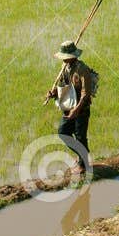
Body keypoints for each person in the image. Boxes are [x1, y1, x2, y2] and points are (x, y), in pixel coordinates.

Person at [44, 40, 96, 174]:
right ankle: (83, 155)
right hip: (69, 106)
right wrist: (54, 93)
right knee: (63, 132)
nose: (64, 59)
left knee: (80, 136)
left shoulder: (82, 69)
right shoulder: (65, 67)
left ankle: (83, 164)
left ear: (73, 56)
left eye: (65, 57)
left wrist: (76, 110)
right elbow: (63, 86)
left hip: (81, 108)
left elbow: (86, 94)